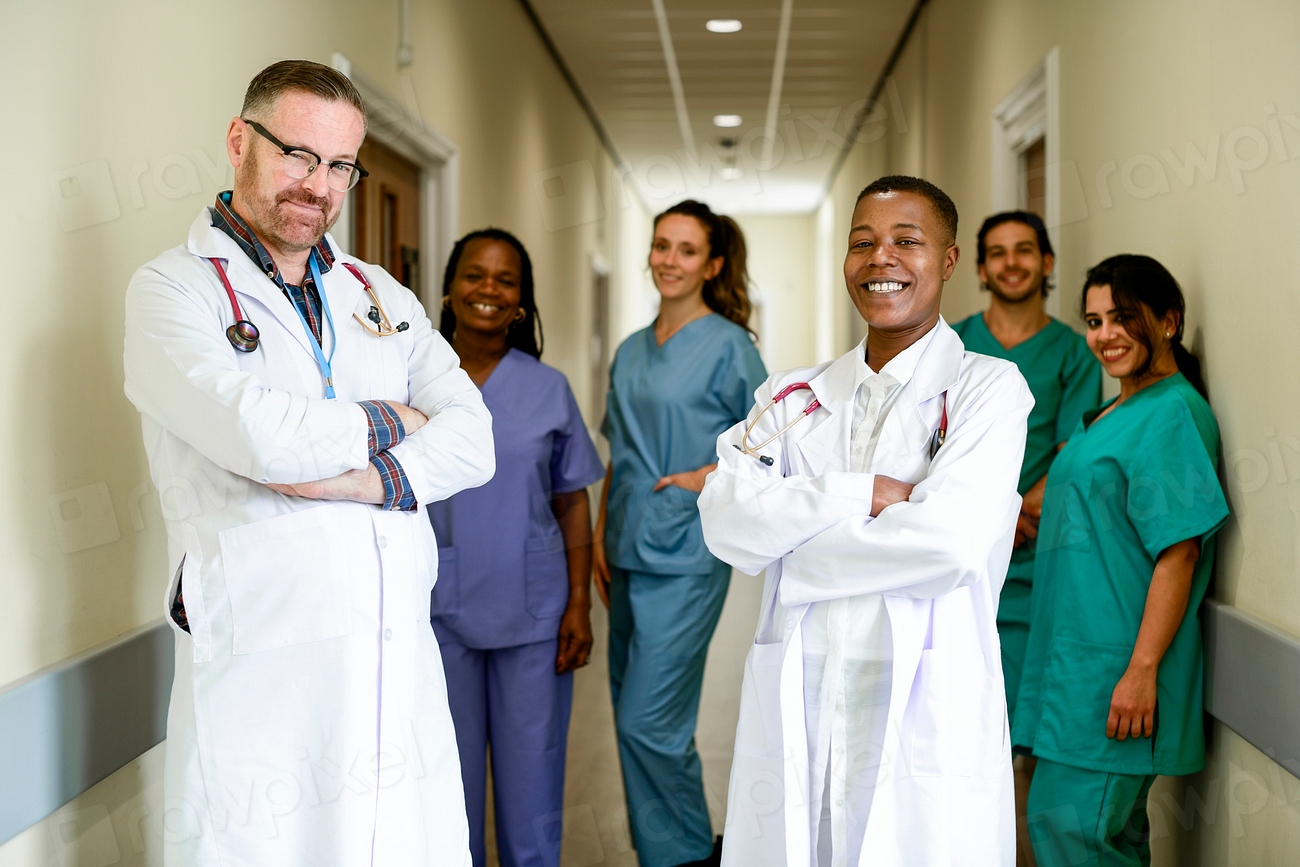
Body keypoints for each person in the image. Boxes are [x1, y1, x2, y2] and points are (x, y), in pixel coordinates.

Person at [122, 61, 494, 867]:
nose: (318, 185)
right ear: (238, 141)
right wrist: (393, 420)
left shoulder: (380, 295)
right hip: (266, 667)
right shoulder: (171, 293)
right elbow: (264, 437)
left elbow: (473, 438)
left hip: (394, 660)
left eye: (339, 166)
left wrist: (373, 477)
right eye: (297, 154)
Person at [699, 175, 1033, 867]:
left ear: (946, 260)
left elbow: (950, 544)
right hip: (805, 687)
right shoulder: (789, 395)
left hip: (922, 701)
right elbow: (729, 527)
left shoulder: (988, 390)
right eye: (863, 242)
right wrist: (863, 494)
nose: (881, 257)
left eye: (906, 241)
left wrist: (793, 551)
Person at [1012, 255, 1228, 867]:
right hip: (1077, 669)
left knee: (1069, 834)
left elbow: (1179, 554)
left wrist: (1141, 673)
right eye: (1093, 320)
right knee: (1104, 840)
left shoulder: (1171, 413)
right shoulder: (1115, 412)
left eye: (1122, 318)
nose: (1105, 335)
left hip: (1113, 678)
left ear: (1168, 321)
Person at [591, 200, 767, 867]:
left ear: (713, 264)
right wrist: (606, 532)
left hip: (688, 553)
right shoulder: (633, 348)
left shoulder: (729, 344)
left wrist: (707, 473)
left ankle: (685, 853)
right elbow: (620, 450)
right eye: (662, 245)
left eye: (687, 250)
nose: (669, 259)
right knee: (630, 716)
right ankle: (677, 847)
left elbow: (771, 438)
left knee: (649, 720)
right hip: (626, 546)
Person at [428, 228, 605, 867]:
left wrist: (579, 605)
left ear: (522, 303)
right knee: (448, 788)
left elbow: (572, 500)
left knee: (533, 789)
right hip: (436, 612)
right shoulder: (414, 378)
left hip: (534, 614)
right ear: (449, 289)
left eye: (507, 281)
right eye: (476, 275)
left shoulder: (548, 388)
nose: (489, 290)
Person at [951, 210, 1101, 860]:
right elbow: (929, 450)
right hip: (958, 565)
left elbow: (1070, 450)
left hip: (1038, 571)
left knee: (1030, 741)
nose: (1011, 262)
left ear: (1046, 263)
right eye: (998, 253)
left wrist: (1010, 516)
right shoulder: (950, 344)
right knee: (960, 737)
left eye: (1025, 251)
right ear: (979, 268)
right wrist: (987, 520)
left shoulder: (1072, 353)